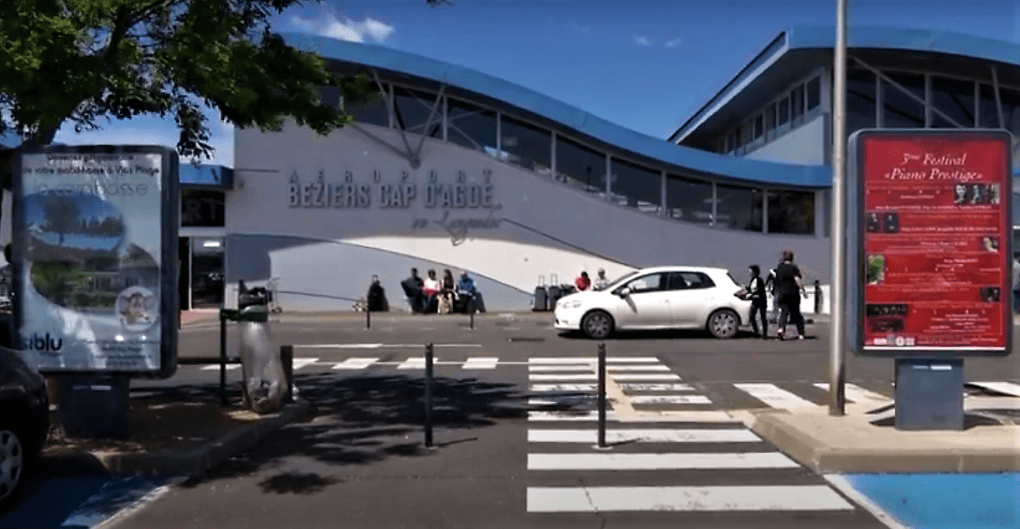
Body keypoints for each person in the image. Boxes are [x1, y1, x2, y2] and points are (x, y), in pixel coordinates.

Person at [774, 250, 807, 340]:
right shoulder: (793, 268)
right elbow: (797, 279)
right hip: (793, 293)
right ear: (792, 258)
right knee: (796, 312)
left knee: (784, 312)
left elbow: (776, 280)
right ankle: (801, 333)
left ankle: (781, 330)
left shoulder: (779, 267)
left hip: (782, 293)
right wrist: (803, 291)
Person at [747, 264, 768, 339]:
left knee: (763, 317)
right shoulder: (752, 280)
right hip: (755, 300)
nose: (749, 273)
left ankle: (765, 334)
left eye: (750, 271)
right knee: (751, 316)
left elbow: (761, 291)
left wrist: (752, 294)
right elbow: (750, 289)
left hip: (761, 301)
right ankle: (756, 331)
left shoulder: (759, 280)